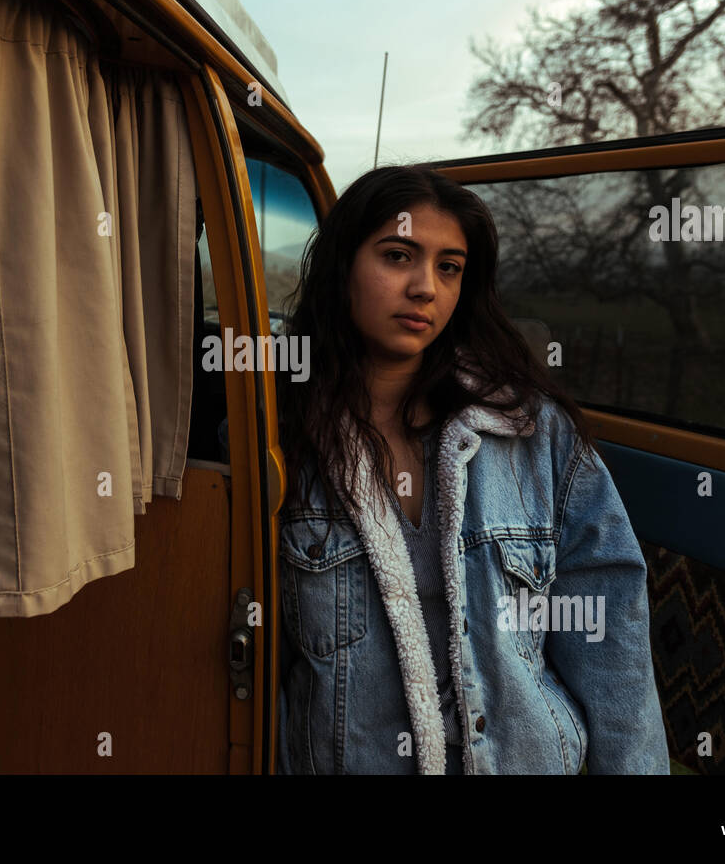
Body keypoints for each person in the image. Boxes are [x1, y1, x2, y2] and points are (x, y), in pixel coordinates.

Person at [273, 165, 668, 774]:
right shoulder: (277, 440)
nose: (425, 287)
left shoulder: (532, 432)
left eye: (448, 267)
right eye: (398, 255)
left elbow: (610, 630)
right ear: (342, 266)